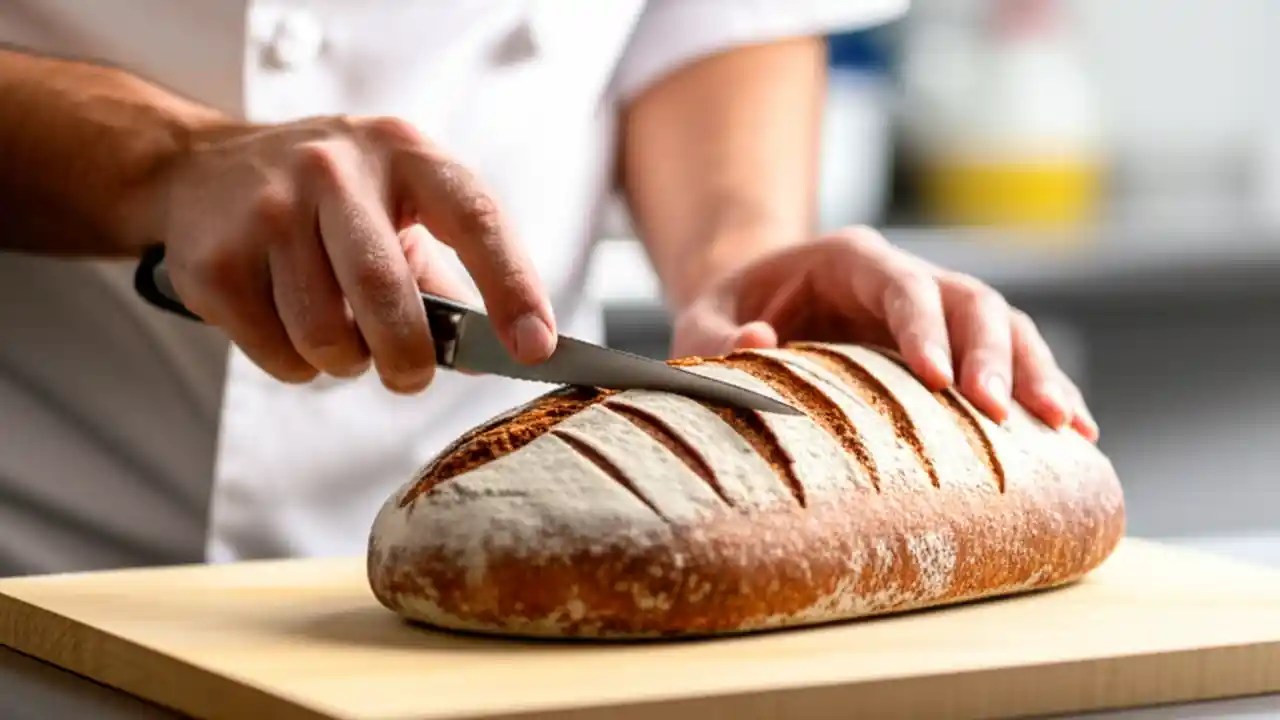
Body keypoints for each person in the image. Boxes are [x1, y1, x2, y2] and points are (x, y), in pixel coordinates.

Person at [0, 1, 1097, 577]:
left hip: (515, 540)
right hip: (34, 520)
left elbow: (721, 15)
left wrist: (734, 256)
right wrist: (161, 163)